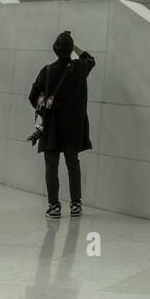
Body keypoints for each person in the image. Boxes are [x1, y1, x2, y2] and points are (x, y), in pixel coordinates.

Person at [28, 31, 95, 218]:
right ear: (69, 49)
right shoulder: (80, 67)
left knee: (51, 166)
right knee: (73, 164)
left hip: (51, 128)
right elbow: (90, 58)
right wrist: (75, 47)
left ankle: (54, 206)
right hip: (73, 127)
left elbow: (32, 97)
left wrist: (44, 107)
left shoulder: (47, 71)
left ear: (55, 50)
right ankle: (75, 205)